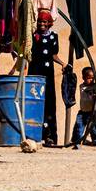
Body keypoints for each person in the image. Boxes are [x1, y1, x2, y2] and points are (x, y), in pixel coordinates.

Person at [33, 9, 64, 146]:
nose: (41, 24)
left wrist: (63, 64)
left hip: (48, 74)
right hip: (35, 74)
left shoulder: (53, 37)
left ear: (49, 23)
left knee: (49, 104)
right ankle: (34, 134)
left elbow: (53, 55)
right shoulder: (33, 36)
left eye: (44, 21)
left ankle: (50, 136)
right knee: (35, 103)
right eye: (40, 21)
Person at [71, 66, 96, 149]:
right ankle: (76, 142)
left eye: (93, 78)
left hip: (93, 112)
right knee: (78, 127)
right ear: (84, 78)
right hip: (82, 112)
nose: (91, 80)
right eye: (89, 78)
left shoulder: (95, 86)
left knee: (94, 128)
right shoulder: (82, 86)